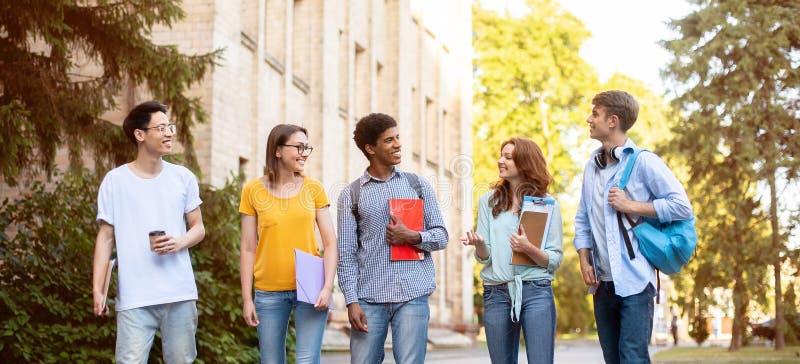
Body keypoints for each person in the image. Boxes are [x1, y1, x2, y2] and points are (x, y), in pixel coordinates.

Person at [574, 90, 693, 363]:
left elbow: (682, 206)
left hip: (635, 281)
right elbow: (582, 219)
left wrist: (631, 205)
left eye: (595, 114)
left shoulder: (644, 161)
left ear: (612, 120)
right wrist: (584, 259)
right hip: (602, 284)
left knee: (633, 357)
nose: (589, 119)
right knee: (612, 358)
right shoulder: (591, 167)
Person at [92, 101, 206, 363]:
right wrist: (98, 290)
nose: (169, 133)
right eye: (161, 128)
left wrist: (179, 242)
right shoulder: (115, 181)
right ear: (139, 134)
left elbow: (198, 227)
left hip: (179, 294)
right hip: (135, 297)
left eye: (170, 127)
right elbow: (105, 237)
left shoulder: (183, 177)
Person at [337, 113, 448, 364]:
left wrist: (413, 236)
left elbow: (442, 236)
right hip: (369, 298)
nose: (398, 144)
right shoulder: (351, 195)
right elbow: (346, 254)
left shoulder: (417, 185)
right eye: (389, 140)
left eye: (397, 137)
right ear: (370, 148)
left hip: (412, 294)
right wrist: (351, 301)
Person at [239, 124, 337, 364]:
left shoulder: (313, 188)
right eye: (298, 147)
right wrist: (247, 299)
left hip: (311, 288)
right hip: (269, 291)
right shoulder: (253, 190)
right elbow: (248, 247)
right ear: (277, 150)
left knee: (307, 360)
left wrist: (327, 287)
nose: (304, 153)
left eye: (307, 148)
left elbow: (330, 242)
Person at [461, 137, 563, 364]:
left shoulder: (546, 203)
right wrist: (479, 244)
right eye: (501, 155)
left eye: (508, 157)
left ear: (525, 162)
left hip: (536, 291)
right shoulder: (488, 201)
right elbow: (485, 257)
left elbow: (555, 259)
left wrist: (528, 248)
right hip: (496, 293)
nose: (500, 161)